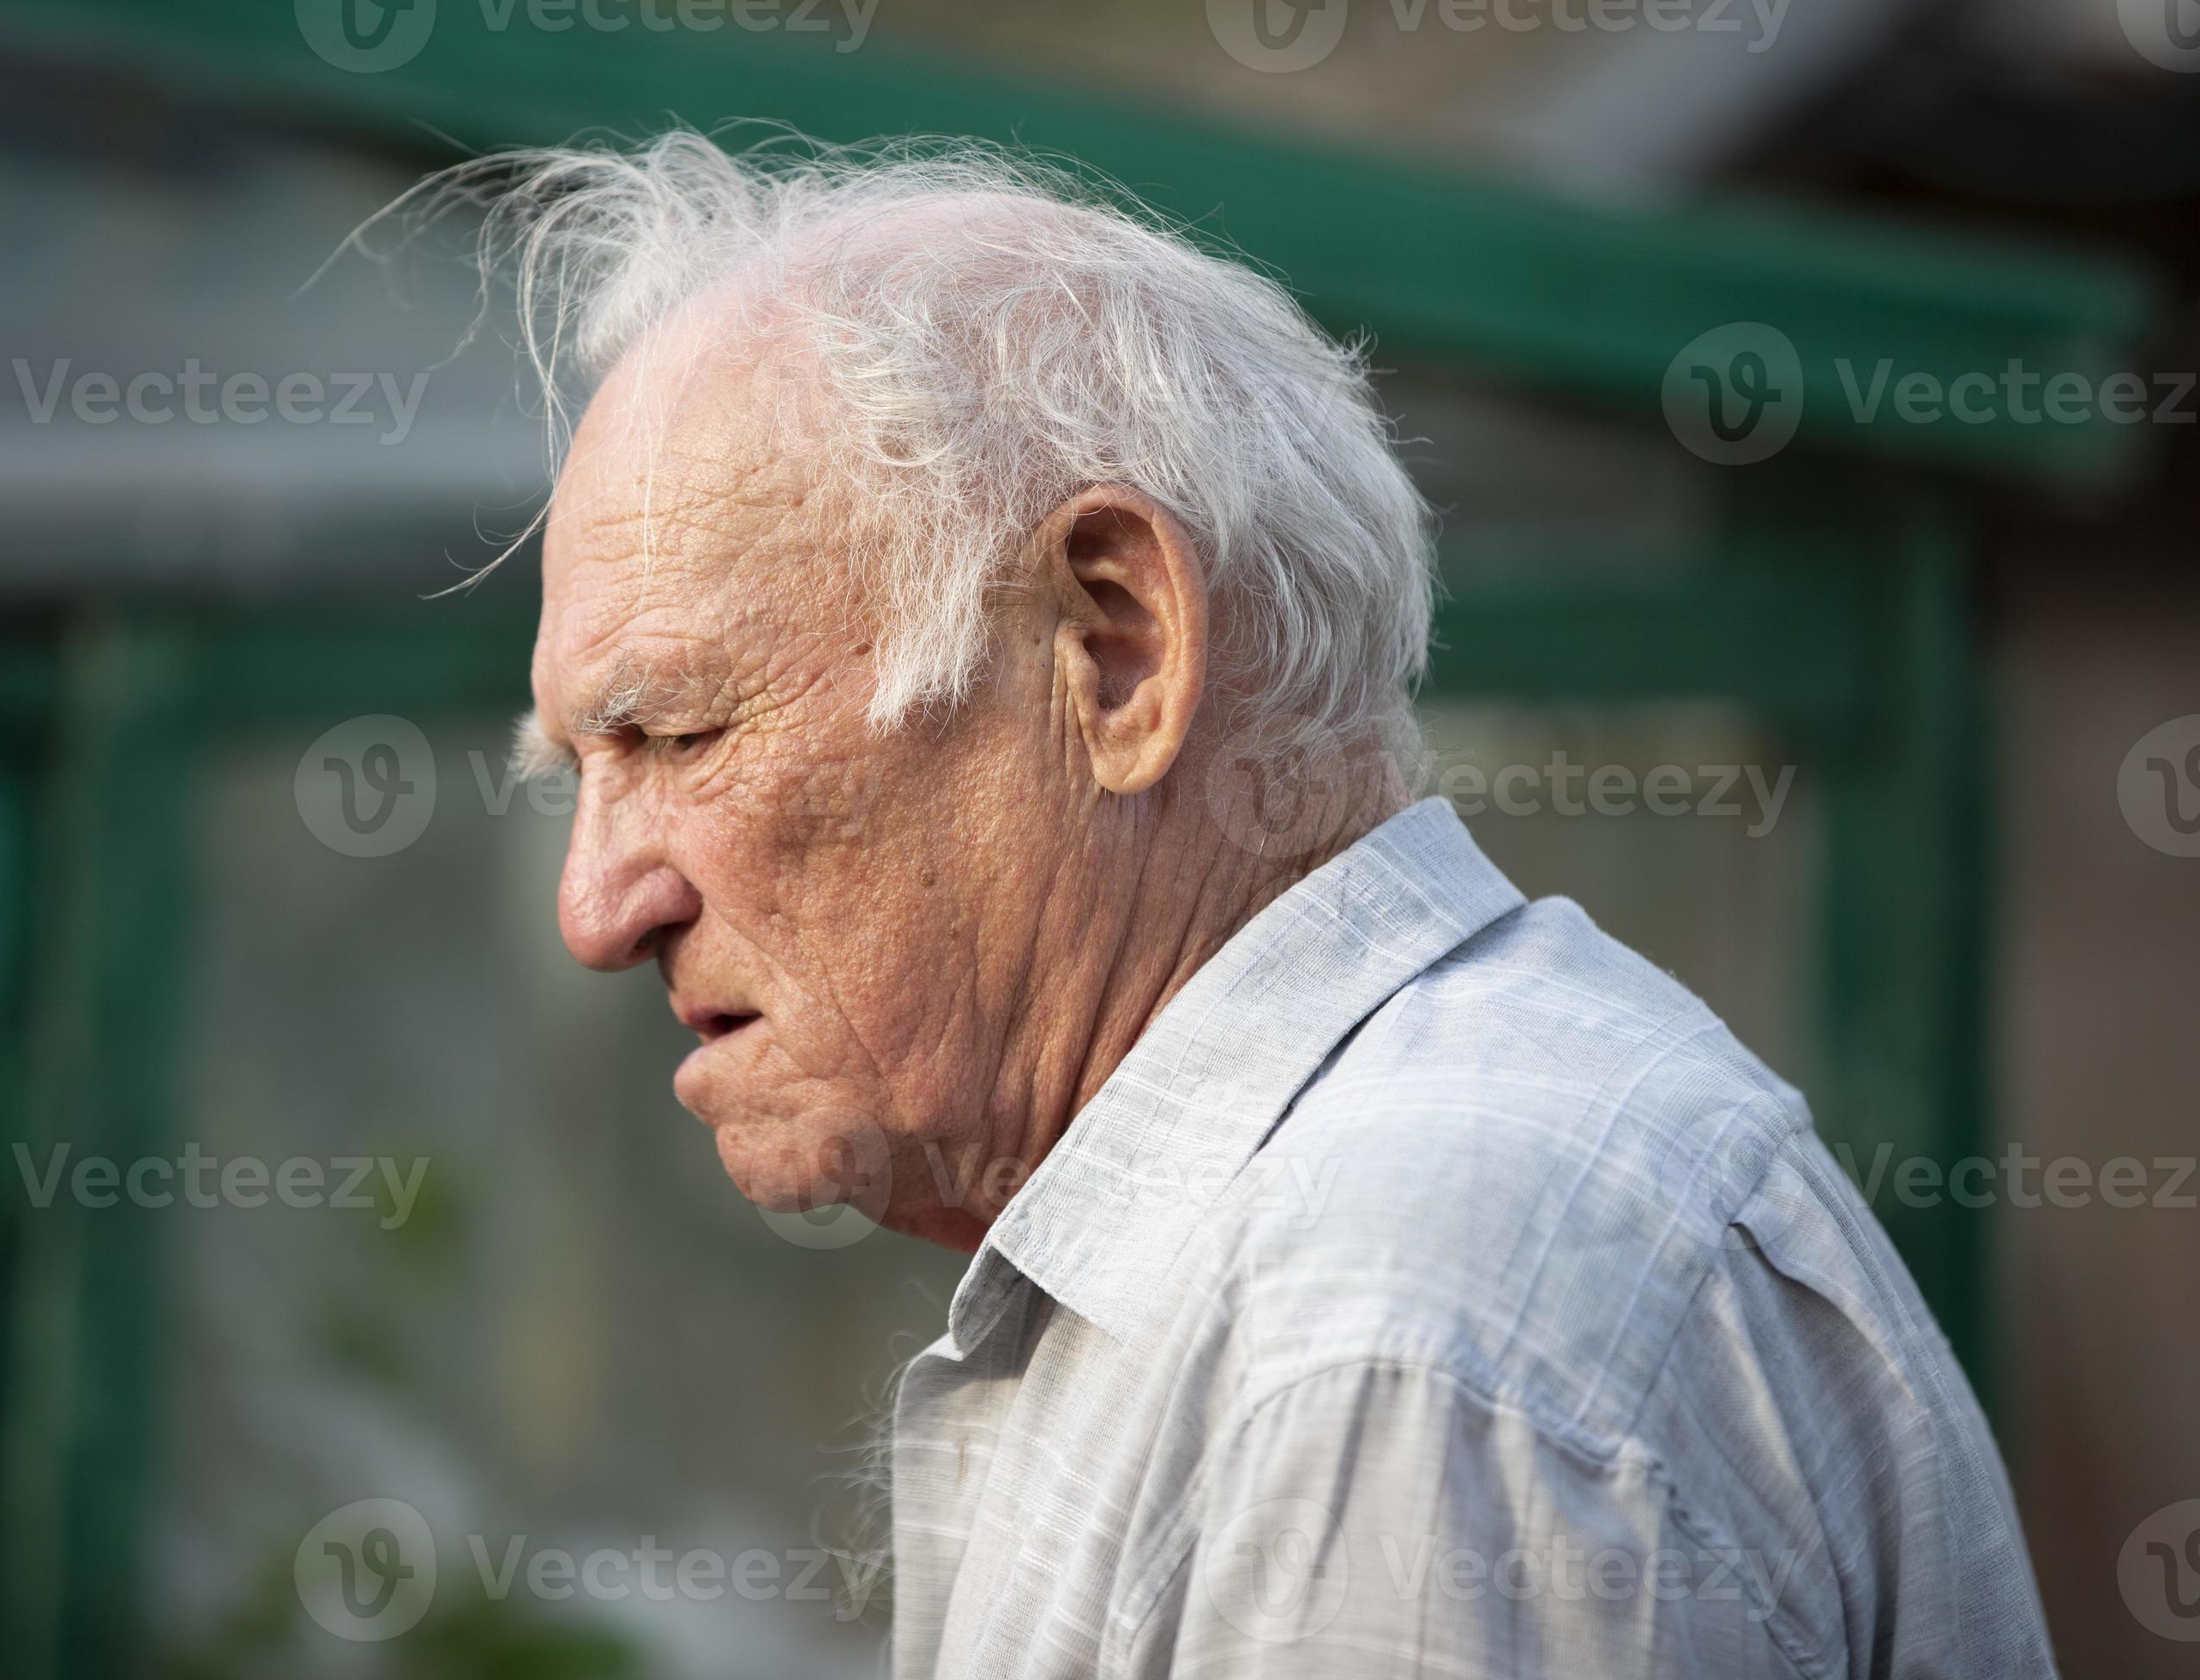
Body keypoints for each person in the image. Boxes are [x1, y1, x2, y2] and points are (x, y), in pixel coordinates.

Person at [460, 129, 2053, 1677]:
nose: (597, 906)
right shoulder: (1333, 1250)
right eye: (576, 774)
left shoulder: (1388, 1332)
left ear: (1114, 646)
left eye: (674, 734)